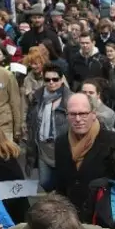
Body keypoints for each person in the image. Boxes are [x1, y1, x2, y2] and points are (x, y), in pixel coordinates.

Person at [54, 93, 115, 221]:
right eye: (72, 114)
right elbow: (61, 186)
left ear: (93, 114)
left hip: (102, 218)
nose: (78, 119)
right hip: (71, 218)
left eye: (83, 114)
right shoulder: (61, 143)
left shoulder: (114, 143)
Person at [27, 61, 71, 192]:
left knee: (63, 183)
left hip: (63, 149)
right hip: (43, 147)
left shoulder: (70, 99)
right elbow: (31, 118)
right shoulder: (37, 97)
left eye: (55, 79)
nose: (51, 82)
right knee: (44, 182)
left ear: (62, 79)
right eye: (47, 79)